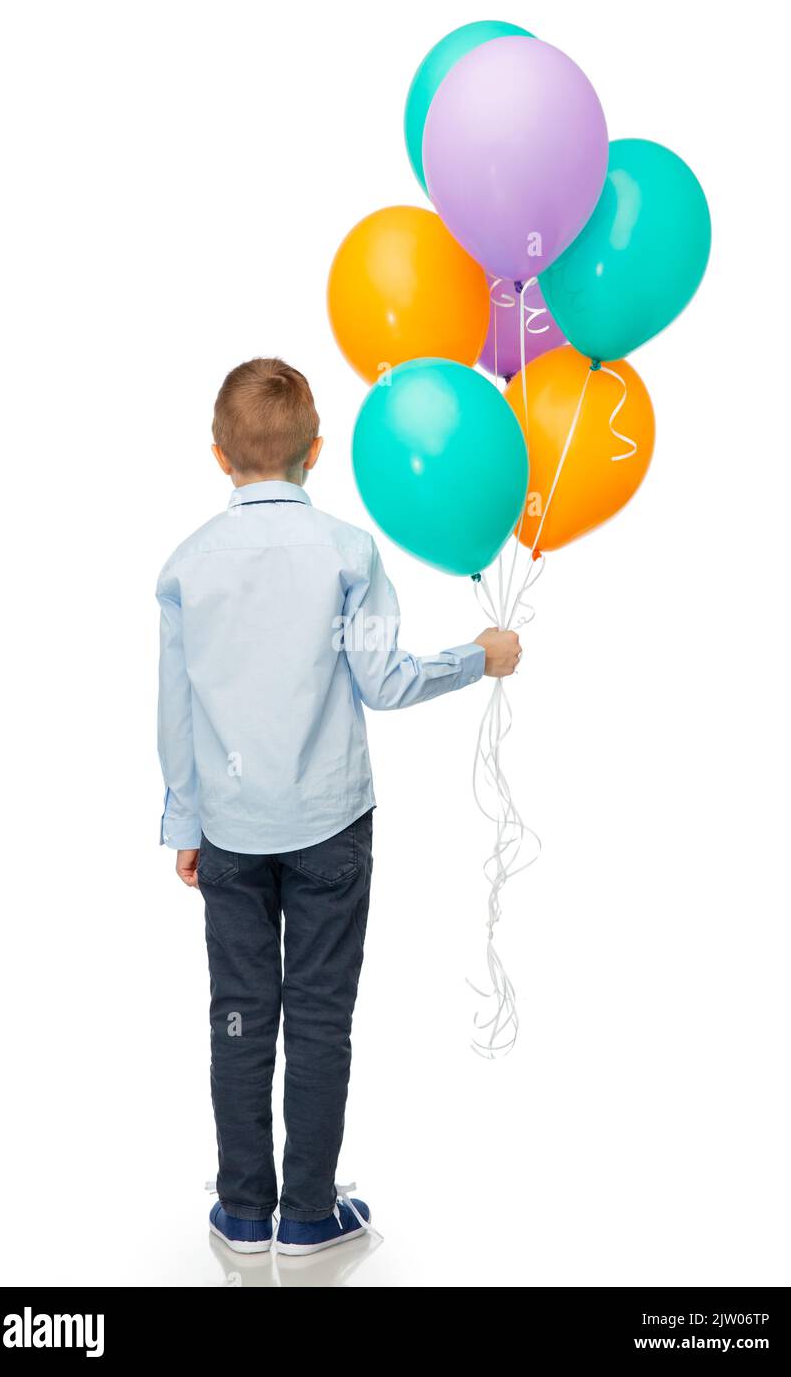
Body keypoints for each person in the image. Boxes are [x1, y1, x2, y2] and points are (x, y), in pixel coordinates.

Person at [157, 358, 520, 1255]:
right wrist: (479, 656)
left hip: (232, 835)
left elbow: (175, 711)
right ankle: (309, 1213)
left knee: (238, 1011)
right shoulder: (348, 552)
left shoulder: (186, 567)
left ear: (219, 457)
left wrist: (185, 823)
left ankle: (244, 1209)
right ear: (315, 452)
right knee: (318, 1013)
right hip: (329, 827)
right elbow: (385, 682)